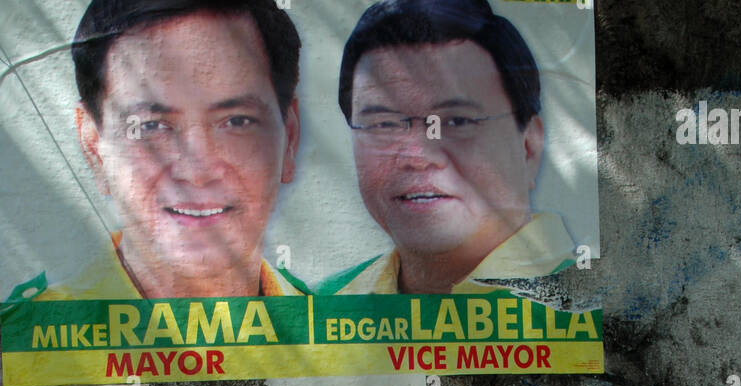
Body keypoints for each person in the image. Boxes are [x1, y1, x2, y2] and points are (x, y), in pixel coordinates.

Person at [13, 0, 307, 303]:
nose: (196, 173)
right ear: (93, 147)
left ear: (290, 138)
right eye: (150, 126)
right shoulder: (18, 344)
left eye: (237, 121)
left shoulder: (344, 336)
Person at [320, 0, 576, 296]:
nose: (418, 156)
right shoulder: (322, 305)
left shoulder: (601, 309)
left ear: (528, 146)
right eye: (385, 124)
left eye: (456, 121)